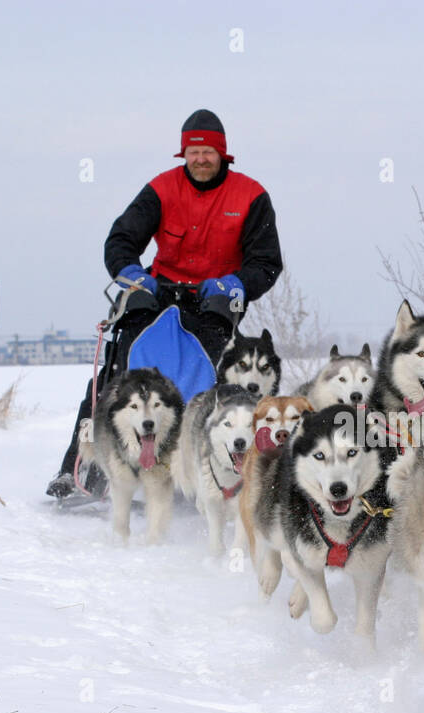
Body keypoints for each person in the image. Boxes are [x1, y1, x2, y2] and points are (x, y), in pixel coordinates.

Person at [46, 108, 283, 499]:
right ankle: (79, 468)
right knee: (115, 375)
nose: (201, 159)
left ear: (223, 154)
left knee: (214, 381)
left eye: (208, 152)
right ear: (183, 155)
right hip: (159, 296)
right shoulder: (161, 189)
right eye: (193, 152)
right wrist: (133, 275)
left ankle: (222, 475)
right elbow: (120, 241)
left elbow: (266, 263)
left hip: (213, 305)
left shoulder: (251, 196)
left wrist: (235, 284)